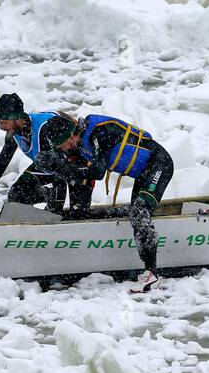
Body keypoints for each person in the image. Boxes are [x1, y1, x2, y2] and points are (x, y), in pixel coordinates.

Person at [35, 112, 174, 292]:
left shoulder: (99, 134)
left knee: (139, 212)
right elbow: (75, 170)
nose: (64, 149)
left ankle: (151, 275)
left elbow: (98, 172)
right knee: (136, 213)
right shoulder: (78, 141)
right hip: (143, 173)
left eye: (63, 145)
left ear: (72, 136)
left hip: (159, 164)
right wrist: (50, 164)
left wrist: (62, 166)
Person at [0, 93, 94, 216]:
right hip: (53, 166)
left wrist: (54, 204)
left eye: (4, 123)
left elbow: (61, 170)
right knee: (16, 194)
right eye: (0, 123)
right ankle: (45, 210)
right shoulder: (14, 133)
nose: (1, 127)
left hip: (80, 165)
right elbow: (2, 162)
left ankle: (61, 218)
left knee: (77, 213)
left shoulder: (46, 128)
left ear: (17, 118)